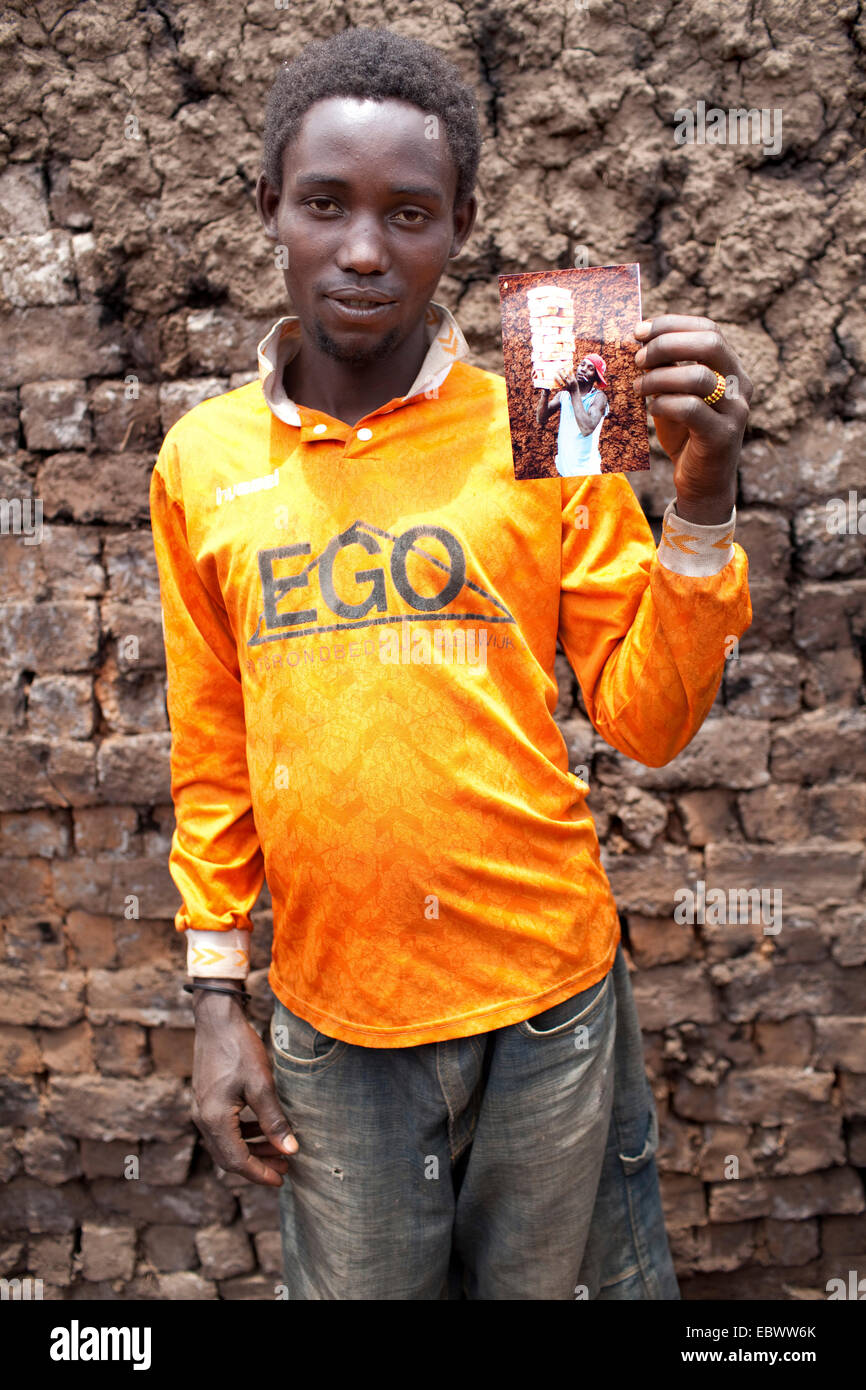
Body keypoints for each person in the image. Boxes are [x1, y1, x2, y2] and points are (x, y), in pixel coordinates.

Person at [149, 26, 753, 1300]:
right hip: (335, 1023)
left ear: (461, 225)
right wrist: (216, 997)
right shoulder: (202, 461)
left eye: (408, 213)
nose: (364, 251)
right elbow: (211, 746)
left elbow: (644, 724)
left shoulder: (557, 389)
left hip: (547, 1002)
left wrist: (699, 502)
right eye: (326, 205)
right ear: (272, 207)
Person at [537, 353, 610, 475]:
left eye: (590, 368)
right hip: (564, 470)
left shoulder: (598, 398)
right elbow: (541, 418)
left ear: (596, 377)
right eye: (582, 364)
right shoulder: (564, 394)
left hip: (586, 472)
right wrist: (545, 392)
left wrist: (574, 390)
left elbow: (586, 428)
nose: (583, 369)